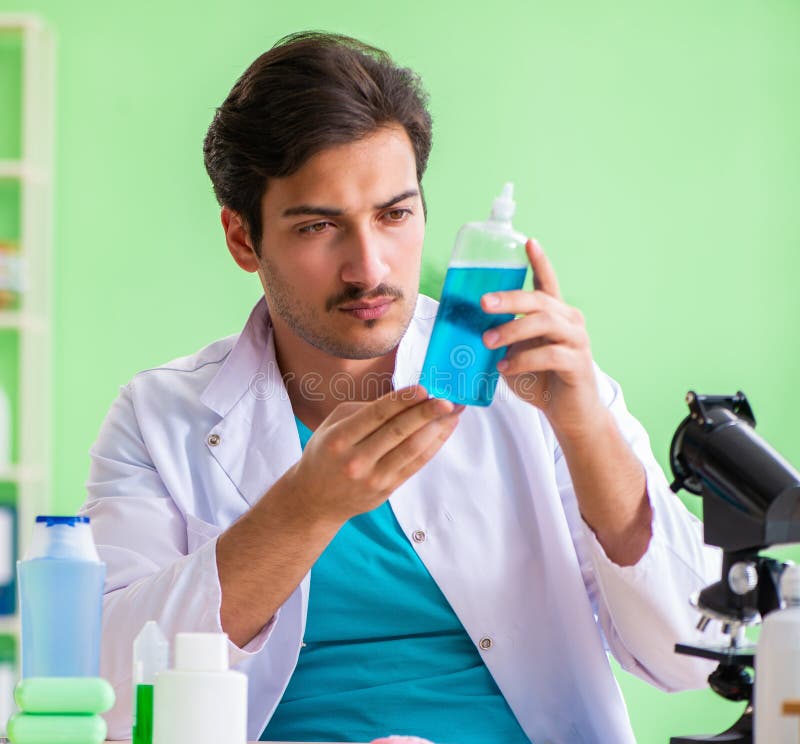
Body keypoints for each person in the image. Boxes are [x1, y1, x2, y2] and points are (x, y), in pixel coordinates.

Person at [82, 31, 721, 744]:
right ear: (242, 239)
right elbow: (107, 690)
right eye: (320, 226)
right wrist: (305, 508)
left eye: (394, 214)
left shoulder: (531, 379)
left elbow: (696, 653)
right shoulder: (158, 417)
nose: (369, 267)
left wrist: (584, 429)